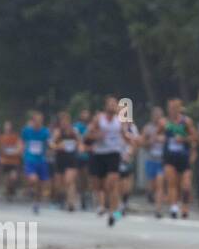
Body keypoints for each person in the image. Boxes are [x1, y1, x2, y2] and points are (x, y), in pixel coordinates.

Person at [88, 96, 133, 226]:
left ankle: (113, 212)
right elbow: (88, 135)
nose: (113, 106)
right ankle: (102, 204)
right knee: (98, 185)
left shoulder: (120, 121)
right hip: (99, 154)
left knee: (111, 184)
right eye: (111, 104)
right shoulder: (99, 119)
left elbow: (125, 136)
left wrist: (132, 142)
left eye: (115, 104)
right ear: (106, 106)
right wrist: (97, 136)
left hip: (114, 154)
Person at [155, 97, 196, 219]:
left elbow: (194, 137)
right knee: (172, 182)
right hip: (169, 157)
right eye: (170, 108)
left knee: (186, 185)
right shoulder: (163, 122)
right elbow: (157, 135)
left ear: (180, 108)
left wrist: (183, 139)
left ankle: (185, 207)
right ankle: (173, 207)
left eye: (175, 108)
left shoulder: (186, 121)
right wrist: (160, 138)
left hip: (183, 156)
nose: (172, 110)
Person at [20, 111, 52, 214]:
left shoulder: (45, 132)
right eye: (36, 121)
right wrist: (20, 149)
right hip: (30, 159)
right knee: (34, 179)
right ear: (33, 121)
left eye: (40, 121)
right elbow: (21, 141)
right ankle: (29, 189)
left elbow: (49, 143)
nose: (38, 123)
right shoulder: (26, 131)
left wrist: (53, 147)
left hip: (41, 160)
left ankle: (36, 202)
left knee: (41, 184)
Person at [50, 111, 81, 212]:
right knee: (60, 184)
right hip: (60, 159)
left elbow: (80, 143)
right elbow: (51, 144)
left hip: (71, 159)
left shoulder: (74, 131)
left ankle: (71, 203)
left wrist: (79, 146)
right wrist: (58, 146)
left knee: (69, 181)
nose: (64, 123)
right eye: (62, 121)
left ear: (69, 121)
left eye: (66, 121)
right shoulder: (58, 132)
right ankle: (62, 198)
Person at [141, 106, 165, 208]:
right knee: (153, 184)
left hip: (162, 160)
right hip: (151, 159)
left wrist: (164, 140)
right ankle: (151, 194)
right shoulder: (148, 128)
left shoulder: (166, 127)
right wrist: (150, 142)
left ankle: (158, 208)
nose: (157, 118)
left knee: (160, 183)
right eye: (156, 116)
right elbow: (142, 143)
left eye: (159, 116)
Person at [0, 119, 22, 200]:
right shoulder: (1, 137)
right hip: (4, 161)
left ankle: (11, 190)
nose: (7, 128)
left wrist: (15, 151)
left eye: (9, 126)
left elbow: (19, 147)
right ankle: (8, 192)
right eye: (6, 126)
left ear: (11, 127)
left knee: (13, 177)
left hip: (14, 162)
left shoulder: (15, 136)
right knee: (7, 180)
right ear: (4, 128)